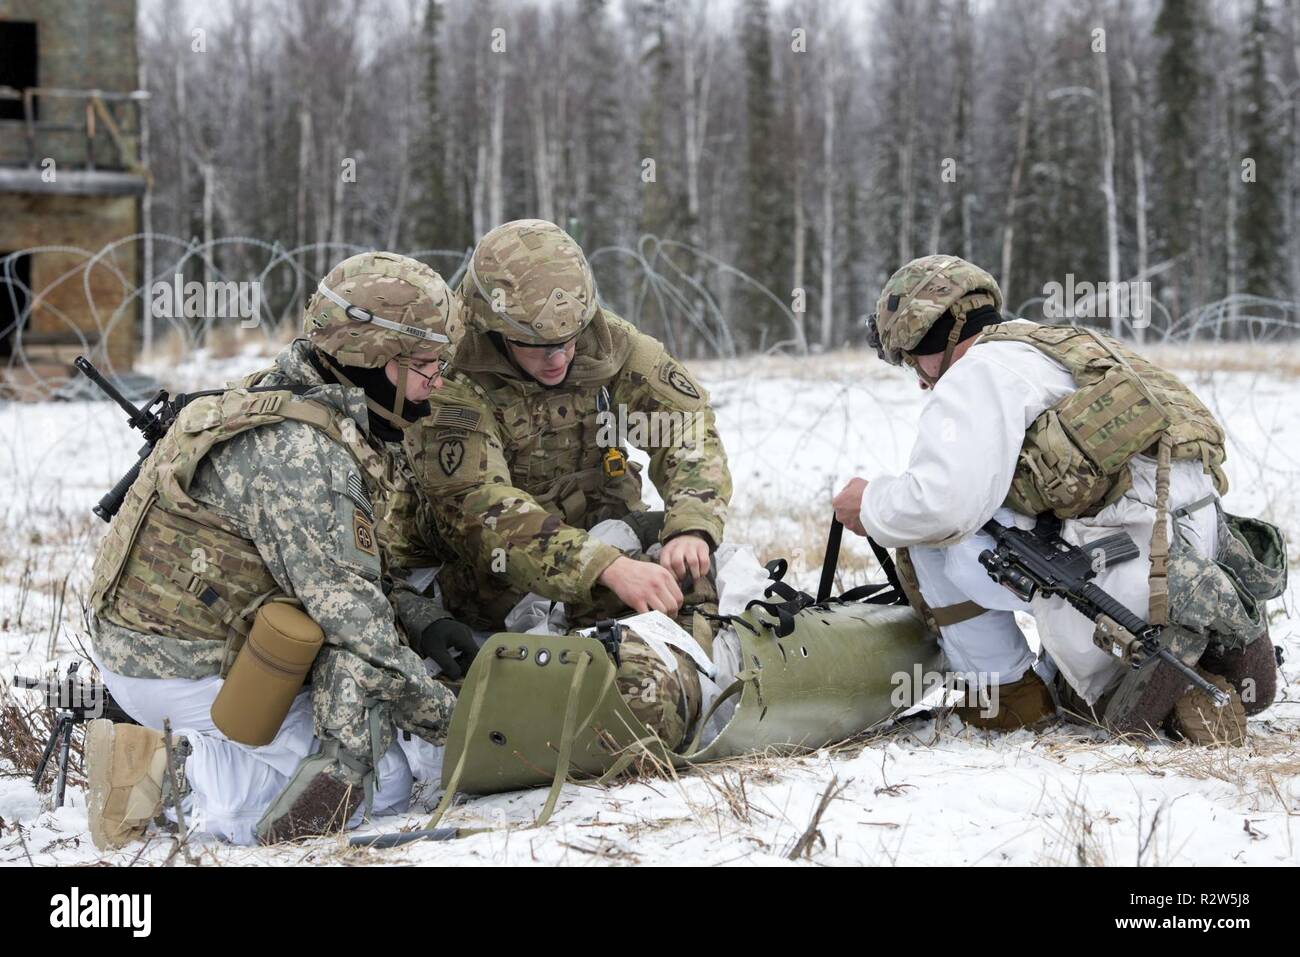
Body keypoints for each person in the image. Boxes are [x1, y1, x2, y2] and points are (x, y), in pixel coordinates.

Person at [83, 251, 470, 848]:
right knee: (385, 782)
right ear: (372, 358)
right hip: (183, 668)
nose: (435, 384)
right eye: (424, 365)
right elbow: (355, 625)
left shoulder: (282, 393)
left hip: (157, 644)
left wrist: (423, 619)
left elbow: (345, 575)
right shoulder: (301, 451)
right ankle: (171, 772)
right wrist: (462, 724)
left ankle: (171, 745)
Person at [832, 254, 1283, 743]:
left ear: (925, 336)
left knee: (925, 540)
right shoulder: (1062, 345)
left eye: (911, 358)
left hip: (1123, 575)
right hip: (1188, 552)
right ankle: (1193, 659)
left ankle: (1008, 698)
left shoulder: (977, 373)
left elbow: (940, 506)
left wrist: (870, 503)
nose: (920, 378)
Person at [404, 219, 733, 748]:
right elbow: (482, 510)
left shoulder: (611, 346)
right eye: (535, 346)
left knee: (688, 568)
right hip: (492, 580)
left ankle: (690, 684)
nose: (558, 358)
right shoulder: (449, 378)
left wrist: (691, 525)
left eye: (567, 341)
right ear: (493, 329)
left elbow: (686, 430)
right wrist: (604, 567)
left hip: (605, 543)